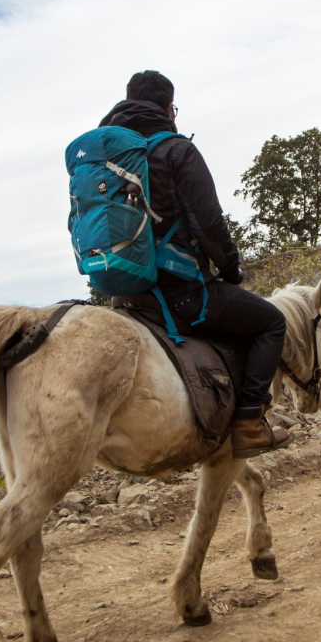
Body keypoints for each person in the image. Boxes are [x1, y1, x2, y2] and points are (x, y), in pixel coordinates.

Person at [101, 70, 292, 457]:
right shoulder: (176, 150)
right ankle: (249, 424)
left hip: (125, 295)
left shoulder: (105, 157)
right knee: (272, 321)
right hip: (181, 294)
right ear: (169, 108)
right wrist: (231, 269)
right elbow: (210, 224)